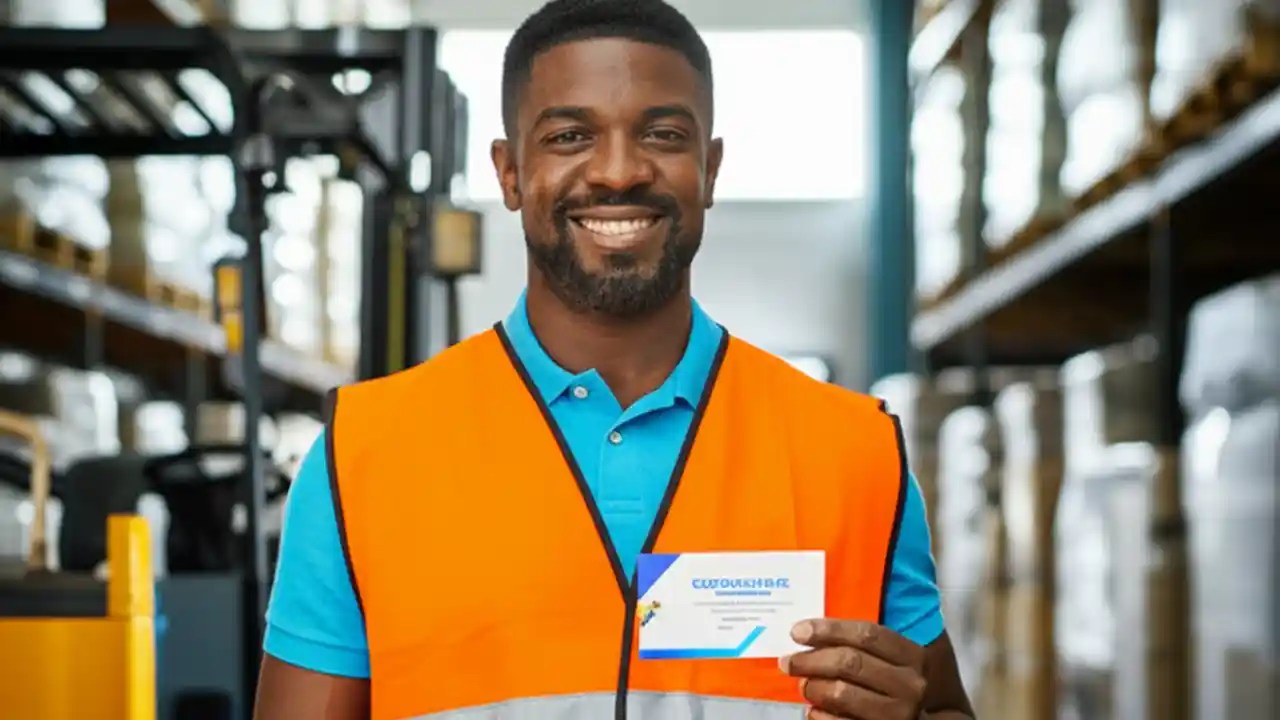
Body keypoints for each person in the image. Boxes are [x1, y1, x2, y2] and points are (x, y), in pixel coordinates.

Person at [254, 1, 974, 718]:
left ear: (709, 168)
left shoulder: (854, 455)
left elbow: (938, 707)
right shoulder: (364, 457)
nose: (620, 171)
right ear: (509, 173)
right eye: (570, 136)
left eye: (662, 133)